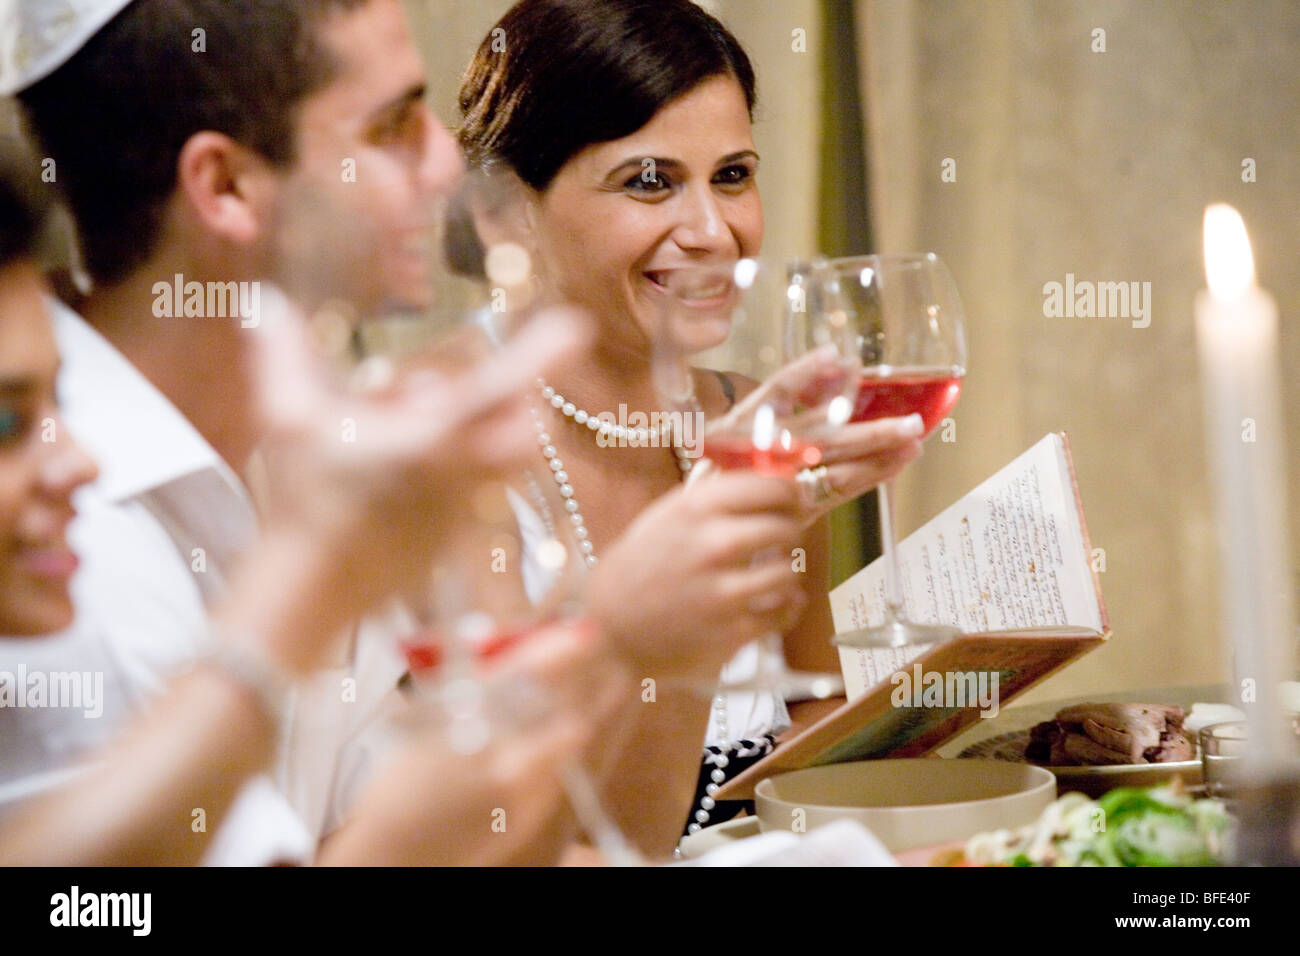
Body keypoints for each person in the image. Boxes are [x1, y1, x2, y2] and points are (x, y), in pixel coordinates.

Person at [0, 135, 612, 865]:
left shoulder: (280, 456)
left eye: (57, 397)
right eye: (386, 126)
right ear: (222, 183)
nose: (79, 459)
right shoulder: (97, 554)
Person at [457, 0, 927, 847]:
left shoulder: (748, 414)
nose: (716, 233)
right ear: (505, 209)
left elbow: (810, 712)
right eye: (649, 181)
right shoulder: (444, 456)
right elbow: (510, 834)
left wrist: (932, 703)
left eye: (734, 175)